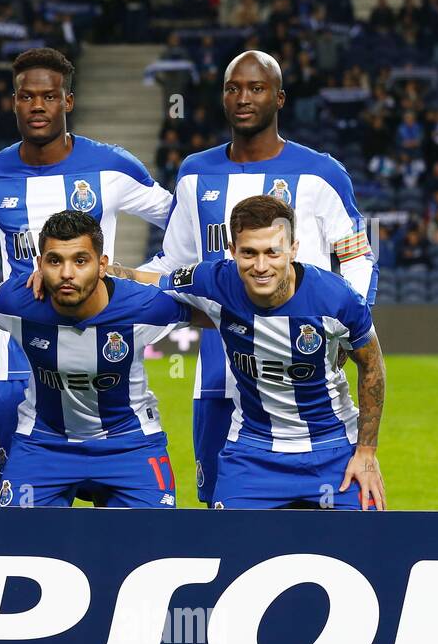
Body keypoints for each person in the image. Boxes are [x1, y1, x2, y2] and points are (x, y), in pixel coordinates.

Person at [117, 50, 376, 506]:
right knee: (225, 511)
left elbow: (356, 253)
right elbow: (171, 263)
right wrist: (113, 281)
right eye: (233, 88)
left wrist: (341, 328)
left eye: (256, 88)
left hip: (308, 356)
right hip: (222, 364)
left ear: (279, 98)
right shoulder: (195, 173)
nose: (243, 97)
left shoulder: (322, 172)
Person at [0, 47, 173, 472]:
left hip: (102, 350)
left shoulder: (112, 167)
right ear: (14, 101)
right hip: (20, 360)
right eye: (26, 96)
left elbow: (185, 221)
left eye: (49, 96)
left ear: (68, 102)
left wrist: (141, 275)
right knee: (24, 516)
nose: (37, 106)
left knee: (113, 496)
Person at [138, 195, 386, 510]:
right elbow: (149, 281)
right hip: (252, 454)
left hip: (335, 450)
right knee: (228, 552)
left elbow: (373, 367)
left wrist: (366, 453)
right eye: (249, 253)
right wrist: (100, 276)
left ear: (294, 248)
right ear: (232, 251)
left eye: (272, 252)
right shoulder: (215, 281)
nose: (260, 266)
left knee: (365, 548)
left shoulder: (337, 299)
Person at [0, 210, 190, 508]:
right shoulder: (17, 301)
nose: (66, 273)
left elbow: (217, 311)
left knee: (154, 543)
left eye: (80, 260)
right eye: (54, 261)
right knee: (13, 547)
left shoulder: (146, 306)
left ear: (103, 265)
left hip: (129, 443)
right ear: (39, 265)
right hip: (44, 443)